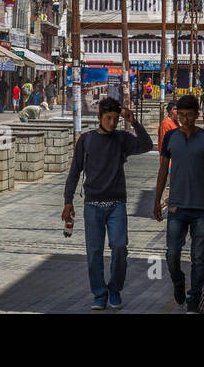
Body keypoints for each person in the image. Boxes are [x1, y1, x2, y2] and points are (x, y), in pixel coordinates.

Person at [62, 98, 152, 310]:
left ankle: (115, 289)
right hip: (92, 206)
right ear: (99, 118)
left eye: (115, 119)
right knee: (94, 253)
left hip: (117, 205)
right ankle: (99, 294)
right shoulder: (87, 140)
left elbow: (146, 145)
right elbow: (74, 172)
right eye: (108, 118)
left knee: (120, 247)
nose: (112, 123)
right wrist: (68, 201)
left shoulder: (122, 139)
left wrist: (134, 121)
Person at [154, 95, 204, 312]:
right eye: (181, 115)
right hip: (176, 207)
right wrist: (157, 200)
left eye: (189, 115)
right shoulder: (170, 137)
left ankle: (194, 298)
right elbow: (162, 170)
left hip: (200, 208)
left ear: (197, 115)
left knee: (199, 256)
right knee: (172, 254)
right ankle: (178, 281)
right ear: (177, 114)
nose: (185, 119)